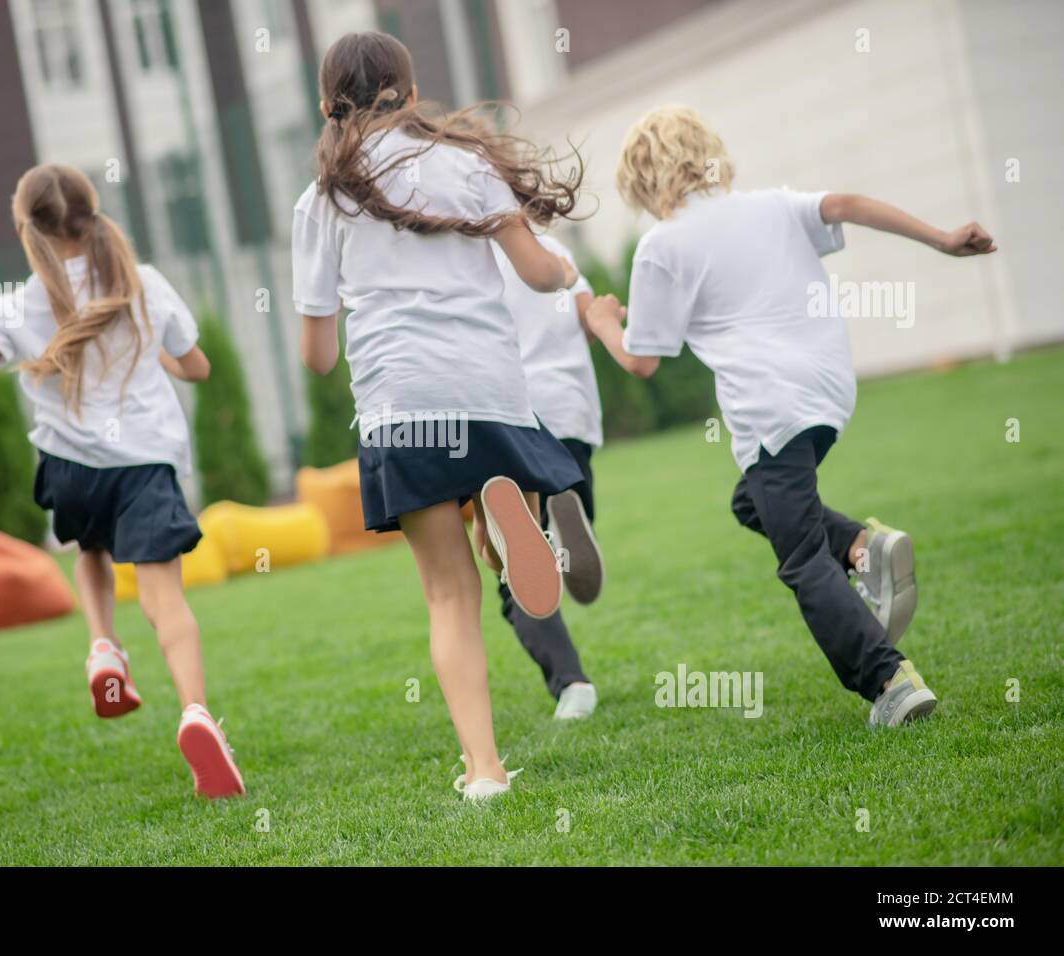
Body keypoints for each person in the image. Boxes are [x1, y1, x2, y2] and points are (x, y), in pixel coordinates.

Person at [586, 105, 996, 726]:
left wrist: (600, 325)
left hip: (772, 409)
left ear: (642, 180)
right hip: (828, 393)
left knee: (801, 557)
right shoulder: (770, 205)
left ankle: (890, 681)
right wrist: (940, 238)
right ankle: (864, 546)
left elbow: (642, 362)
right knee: (751, 503)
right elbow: (848, 202)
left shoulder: (662, 245)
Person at [292, 32, 586, 800]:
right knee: (498, 505)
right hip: (486, 388)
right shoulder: (468, 163)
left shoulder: (321, 198)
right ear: (412, 94)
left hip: (400, 405)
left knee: (447, 597)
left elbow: (318, 356)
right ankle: (511, 522)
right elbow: (536, 272)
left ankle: (484, 770)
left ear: (327, 107)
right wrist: (564, 270)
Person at [0, 163, 245, 796]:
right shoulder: (145, 285)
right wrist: (153, 351)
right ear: (94, 212)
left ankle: (103, 647)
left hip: (71, 470)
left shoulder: (20, 303)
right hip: (143, 464)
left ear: (30, 231)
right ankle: (196, 713)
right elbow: (198, 368)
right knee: (167, 604)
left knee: (90, 550)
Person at [490, 233, 603, 720]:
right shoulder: (555, 248)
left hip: (514, 414)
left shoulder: (472, 258)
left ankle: (572, 684)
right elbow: (590, 318)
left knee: (512, 566)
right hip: (570, 407)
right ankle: (565, 536)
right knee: (573, 506)